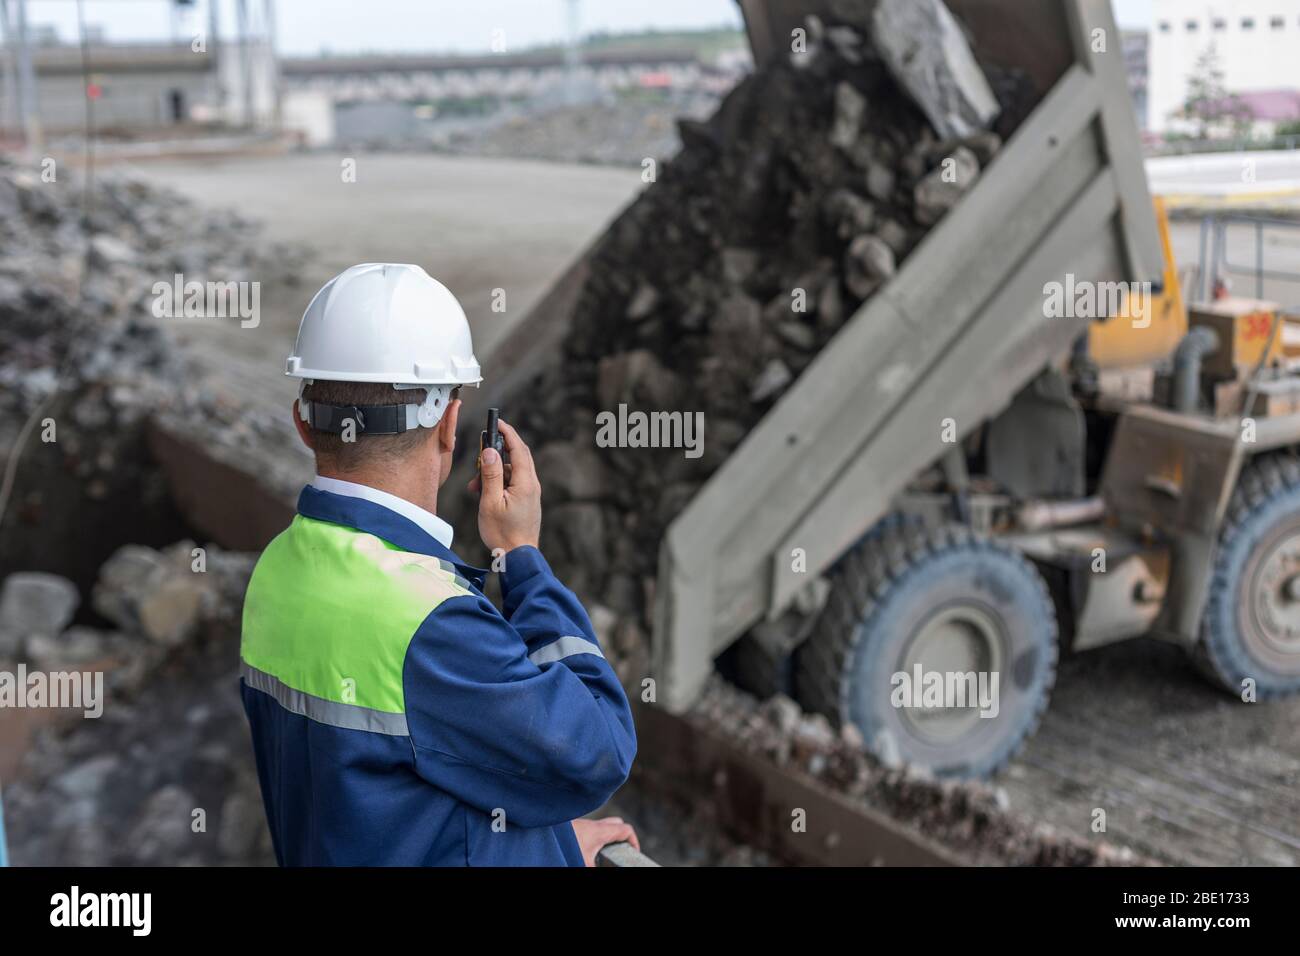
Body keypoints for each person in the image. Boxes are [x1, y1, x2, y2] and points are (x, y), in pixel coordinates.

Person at [239, 262, 638, 866]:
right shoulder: (429, 623)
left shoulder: (277, 571)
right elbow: (597, 749)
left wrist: (544, 845)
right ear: (450, 427)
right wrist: (522, 556)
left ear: (302, 422)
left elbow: (385, 799)